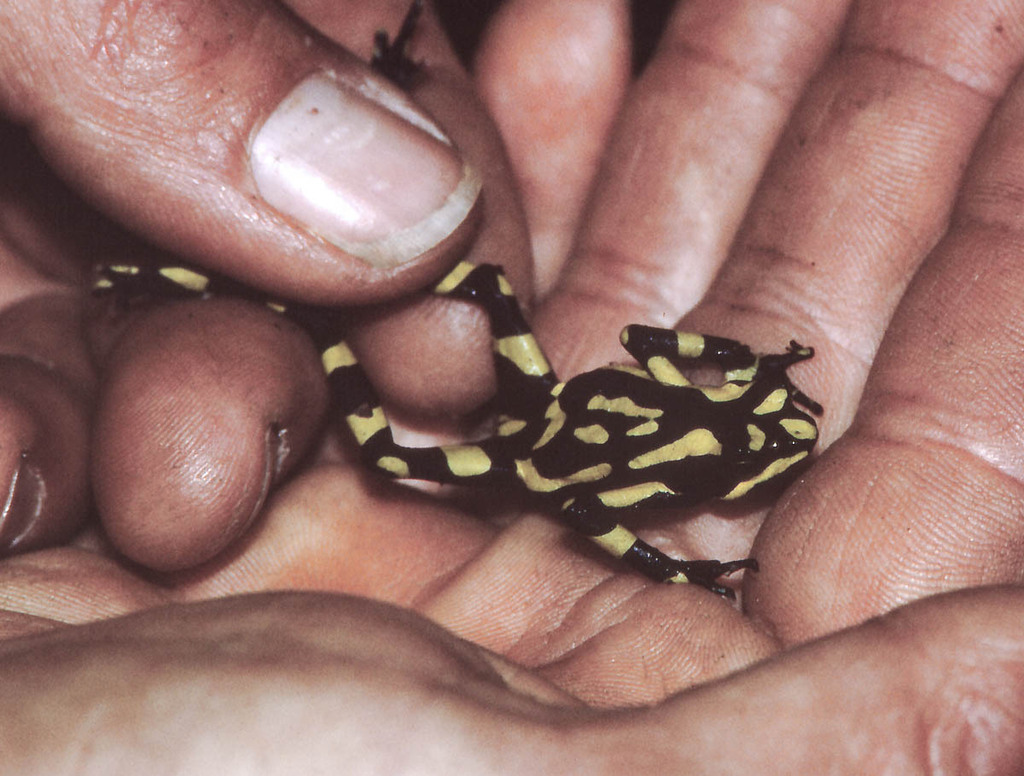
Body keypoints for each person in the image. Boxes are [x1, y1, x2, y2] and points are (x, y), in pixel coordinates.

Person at [2, 0, 1024, 771]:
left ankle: (319, 290)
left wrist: (704, 491)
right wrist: (694, 536)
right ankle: (329, 269)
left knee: (451, 331)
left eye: (762, 436)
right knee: (459, 301)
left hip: (536, 439)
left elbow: (610, 471)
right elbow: (630, 401)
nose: (775, 429)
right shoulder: (657, 463)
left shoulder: (644, 475)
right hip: (533, 426)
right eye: (765, 427)